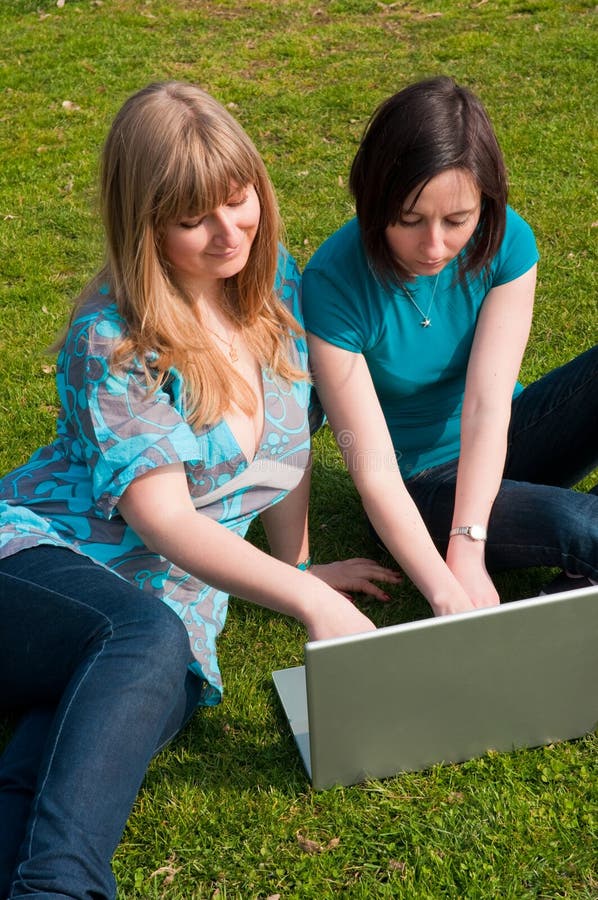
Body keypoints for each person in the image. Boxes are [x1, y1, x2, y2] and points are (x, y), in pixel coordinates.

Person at [0, 81, 399, 899]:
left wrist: (300, 564)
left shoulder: (276, 281)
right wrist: (304, 602)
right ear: (143, 225)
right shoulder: (109, 343)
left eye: (239, 199)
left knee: (56, 754)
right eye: (194, 219)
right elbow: (168, 523)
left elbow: (293, 439)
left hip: (168, 619)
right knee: (145, 638)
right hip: (35, 556)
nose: (230, 233)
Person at [302, 75, 597, 618]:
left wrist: (469, 542)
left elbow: (488, 406)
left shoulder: (508, 241)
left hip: (506, 437)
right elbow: (374, 471)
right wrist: (446, 586)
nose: (434, 246)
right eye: (408, 220)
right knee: (580, 527)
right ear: (374, 200)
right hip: (418, 486)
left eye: (457, 220)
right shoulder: (332, 283)